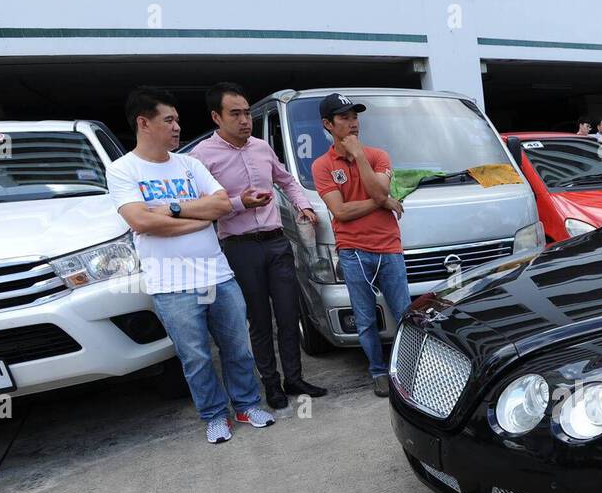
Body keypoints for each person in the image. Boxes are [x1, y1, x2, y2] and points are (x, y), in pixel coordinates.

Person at [108, 87, 274, 444]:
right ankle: (214, 415)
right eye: (168, 120)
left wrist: (175, 209)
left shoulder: (190, 164)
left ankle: (246, 405)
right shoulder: (123, 170)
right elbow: (141, 221)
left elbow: (221, 205)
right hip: (171, 285)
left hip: (218, 275)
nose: (177, 127)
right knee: (196, 356)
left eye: (177, 120)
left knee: (237, 347)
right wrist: (198, 217)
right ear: (144, 123)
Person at [190, 82, 327, 410]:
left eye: (246, 112)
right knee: (260, 320)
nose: (244, 120)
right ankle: (271, 385)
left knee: (289, 313)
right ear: (216, 117)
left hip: (276, 242)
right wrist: (239, 203)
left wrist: (302, 205)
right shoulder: (200, 158)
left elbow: (286, 180)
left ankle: (293, 378)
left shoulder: (261, 147)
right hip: (240, 248)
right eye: (234, 114)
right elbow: (200, 204)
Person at [311, 93, 409, 397]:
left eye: (355, 117)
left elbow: (380, 188)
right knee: (365, 319)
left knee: (404, 313)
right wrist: (383, 202)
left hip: (388, 247)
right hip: (353, 251)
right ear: (328, 124)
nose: (353, 123)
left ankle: (409, 368)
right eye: (344, 118)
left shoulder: (378, 155)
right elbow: (340, 211)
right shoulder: (322, 166)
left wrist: (360, 157)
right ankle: (378, 372)